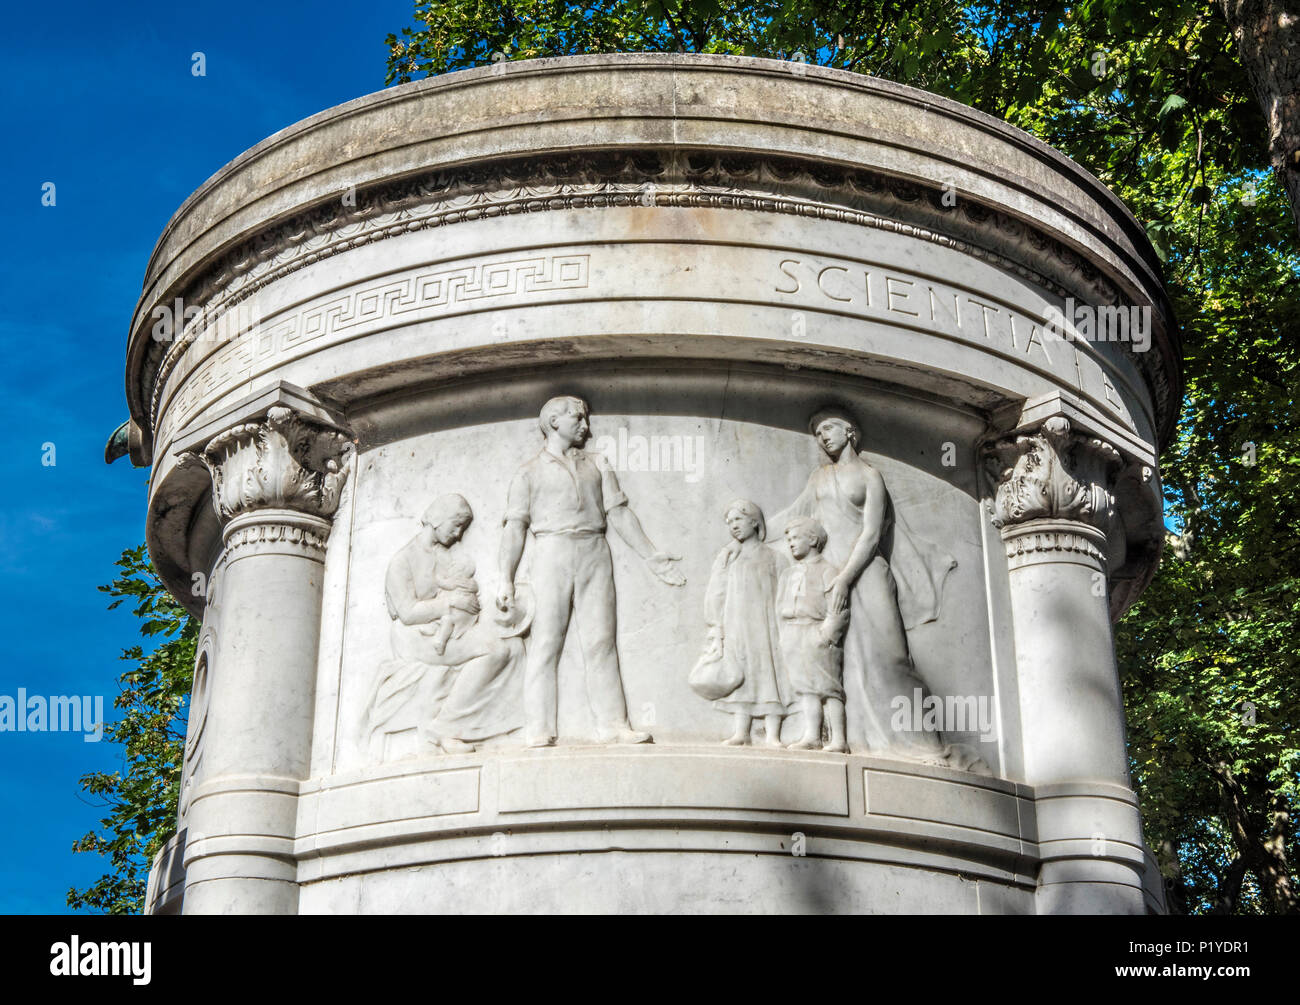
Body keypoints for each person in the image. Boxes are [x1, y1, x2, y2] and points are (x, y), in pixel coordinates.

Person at [497, 396, 685, 747]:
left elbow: (619, 513)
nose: (586, 426)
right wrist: (505, 578)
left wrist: (651, 556)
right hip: (551, 552)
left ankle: (613, 724)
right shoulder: (528, 471)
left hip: (594, 551)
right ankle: (538, 726)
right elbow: (514, 527)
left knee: (601, 641)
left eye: (586, 418)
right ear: (554, 422)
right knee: (545, 643)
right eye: (578, 419)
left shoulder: (598, 463)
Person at [779, 407, 956, 760]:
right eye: (816, 433)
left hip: (866, 571)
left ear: (850, 432)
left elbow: (872, 533)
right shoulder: (818, 478)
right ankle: (847, 738)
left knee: (890, 657)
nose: (822, 436)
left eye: (828, 428)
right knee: (837, 660)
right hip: (830, 574)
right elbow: (793, 515)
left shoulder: (870, 476)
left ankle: (924, 743)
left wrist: (846, 578)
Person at [369, 494, 524, 756]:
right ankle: (446, 728)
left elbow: (460, 584)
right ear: (437, 520)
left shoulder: (444, 555)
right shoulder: (402, 560)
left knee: (515, 646)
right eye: (455, 526)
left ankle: (488, 728)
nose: (458, 535)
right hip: (416, 636)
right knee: (495, 650)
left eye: (462, 529)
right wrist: (450, 603)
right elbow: (407, 613)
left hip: (447, 628)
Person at [701, 500, 790, 746]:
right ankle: (742, 732)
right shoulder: (728, 557)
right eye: (729, 522)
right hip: (737, 625)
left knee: (769, 674)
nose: (733, 526)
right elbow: (715, 592)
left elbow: (786, 592)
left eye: (738, 520)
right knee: (741, 675)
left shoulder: (775, 557)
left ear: (754, 521)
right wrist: (716, 628)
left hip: (767, 626)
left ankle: (772, 734)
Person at [776, 517, 850, 752]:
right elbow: (780, 606)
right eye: (788, 540)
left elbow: (838, 607)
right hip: (793, 633)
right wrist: (784, 636)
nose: (790, 543)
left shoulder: (828, 571)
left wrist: (827, 635)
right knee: (805, 688)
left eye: (795, 538)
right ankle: (812, 736)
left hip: (816, 632)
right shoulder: (788, 574)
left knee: (828, 688)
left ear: (813, 539)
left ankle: (838, 739)